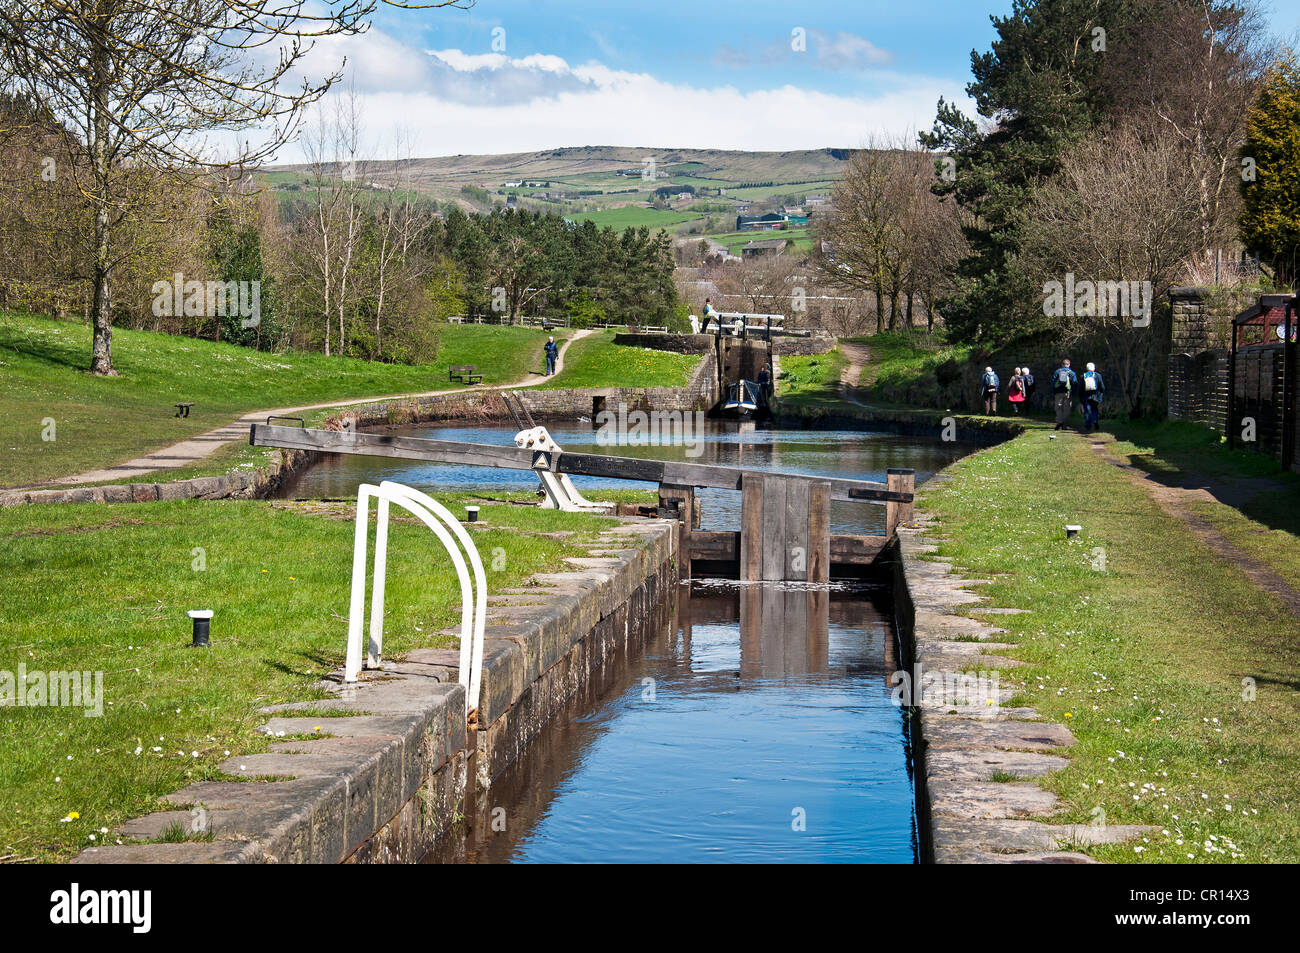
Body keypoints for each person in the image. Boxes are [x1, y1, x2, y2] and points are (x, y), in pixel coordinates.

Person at [1051, 358, 1078, 430]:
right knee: (1067, 409)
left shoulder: (1057, 371)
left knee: (1058, 408)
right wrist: (1073, 392)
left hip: (1058, 392)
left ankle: (1059, 421)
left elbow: (1053, 382)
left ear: (1062, 364)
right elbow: (1074, 383)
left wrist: (1053, 391)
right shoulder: (1072, 373)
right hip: (1068, 392)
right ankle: (1064, 424)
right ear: (1069, 365)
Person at [1080, 361, 1105, 431]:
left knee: (1087, 411)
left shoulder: (1083, 376)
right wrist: (1100, 395)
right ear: (1094, 368)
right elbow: (1102, 387)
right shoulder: (1098, 375)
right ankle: (1095, 420)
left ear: (1087, 368)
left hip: (1086, 397)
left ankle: (1088, 426)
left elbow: (1081, 388)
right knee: (1094, 409)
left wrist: (1081, 397)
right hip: (1095, 397)